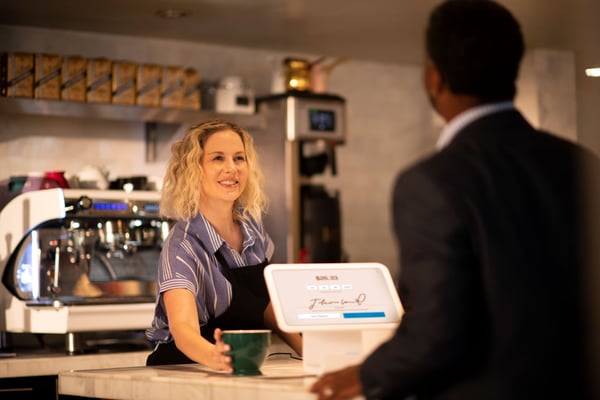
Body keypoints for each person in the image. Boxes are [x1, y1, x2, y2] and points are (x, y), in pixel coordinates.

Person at [310, 1, 599, 399]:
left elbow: (438, 331)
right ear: (512, 72)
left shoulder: (430, 182)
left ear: (434, 78)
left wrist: (367, 375)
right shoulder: (580, 162)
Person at [145, 119, 302, 370]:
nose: (232, 168)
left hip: (237, 367)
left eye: (239, 158)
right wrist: (215, 356)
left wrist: (308, 350)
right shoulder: (183, 245)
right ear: (194, 169)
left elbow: (266, 307)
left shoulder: (253, 229)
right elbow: (183, 330)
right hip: (185, 371)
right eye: (218, 158)